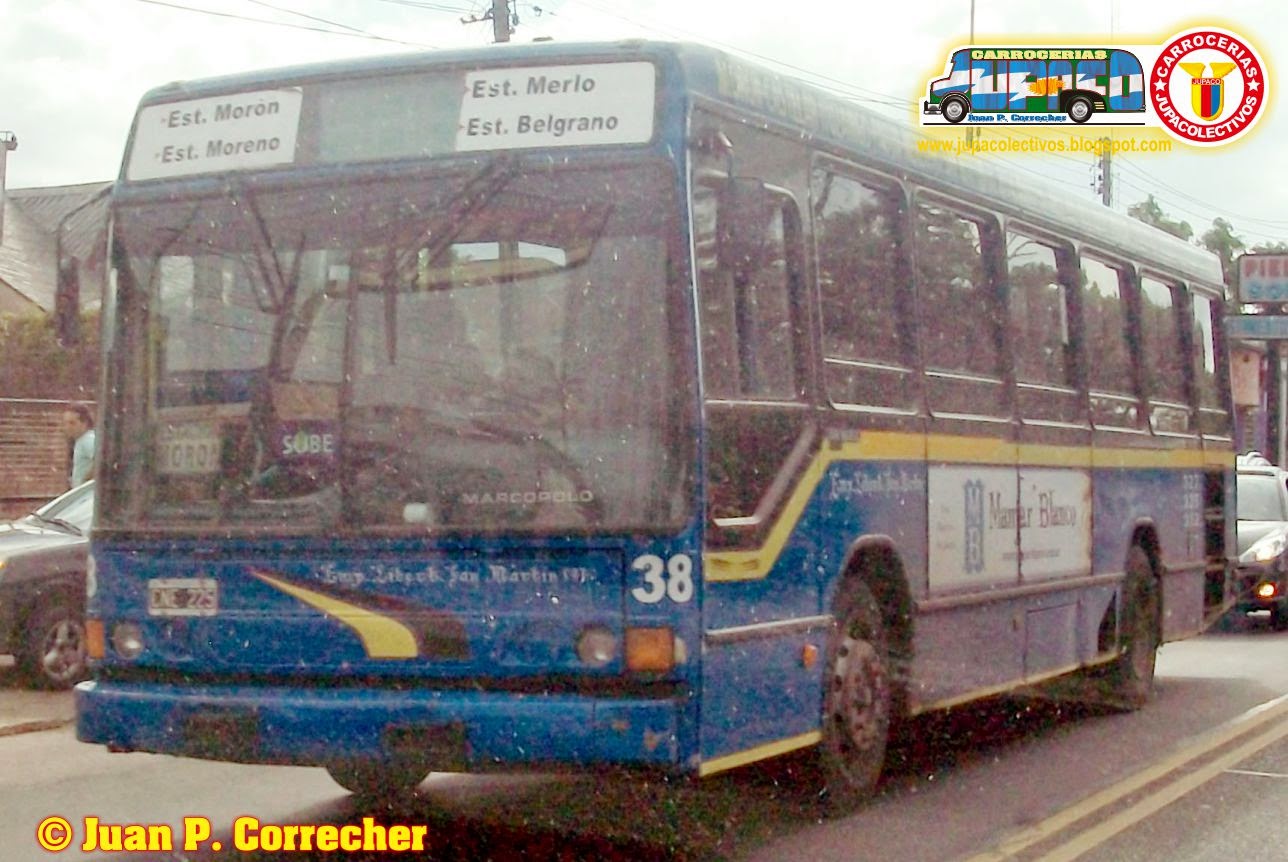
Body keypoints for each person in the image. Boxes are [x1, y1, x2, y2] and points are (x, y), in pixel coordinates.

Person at [62, 404, 97, 487]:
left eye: (72, 423)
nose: (67, 427)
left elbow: (102, 461)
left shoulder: (88, 440)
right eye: (65, 423)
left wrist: (85, 482)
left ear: (85, 423)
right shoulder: (80, 441)